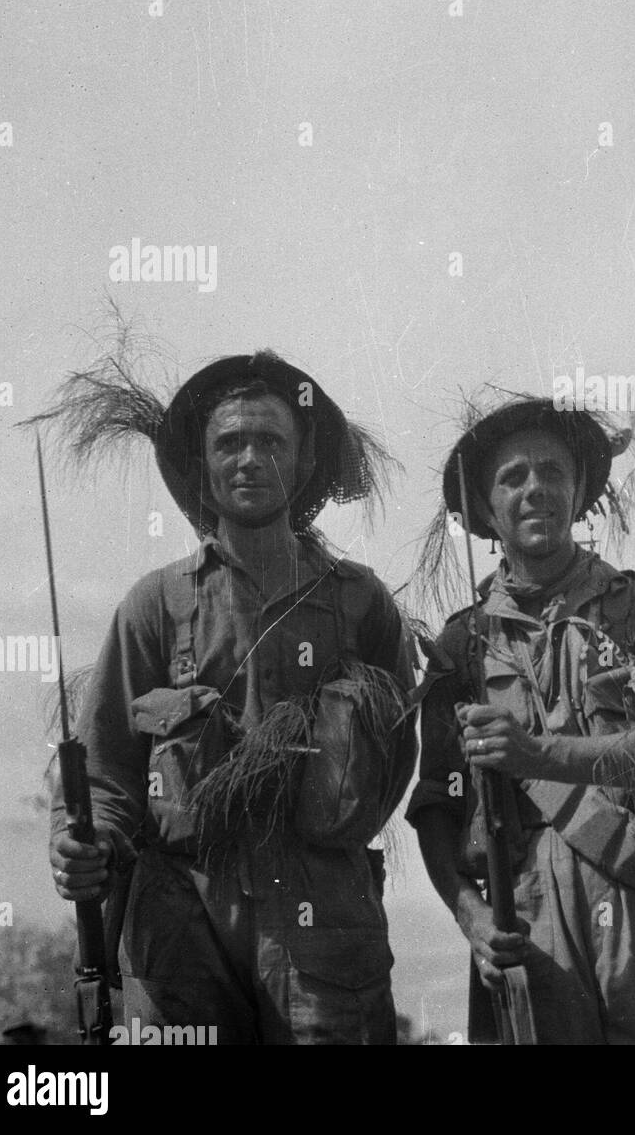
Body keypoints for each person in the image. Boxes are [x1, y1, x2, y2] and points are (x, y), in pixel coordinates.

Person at [39, 349, 417, 1044]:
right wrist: (78, 839)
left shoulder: (360, 602)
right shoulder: (155, 604)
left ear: (302, 464)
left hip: (324, 921)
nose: (249, 457)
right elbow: (106, 770)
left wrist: (326, 826)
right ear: (205, 471)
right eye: (229, 443)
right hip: (183, 921)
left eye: (270, 440)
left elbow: (395, 758)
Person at [407, 396, 635, 1044]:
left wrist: (542, 756)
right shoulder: (461, 648)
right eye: (513, 477)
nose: (536, 489)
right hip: (528, 918)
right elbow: (437, 805)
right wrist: (471, 916)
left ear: (580, 489)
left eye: (552, 472)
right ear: (486, 505)